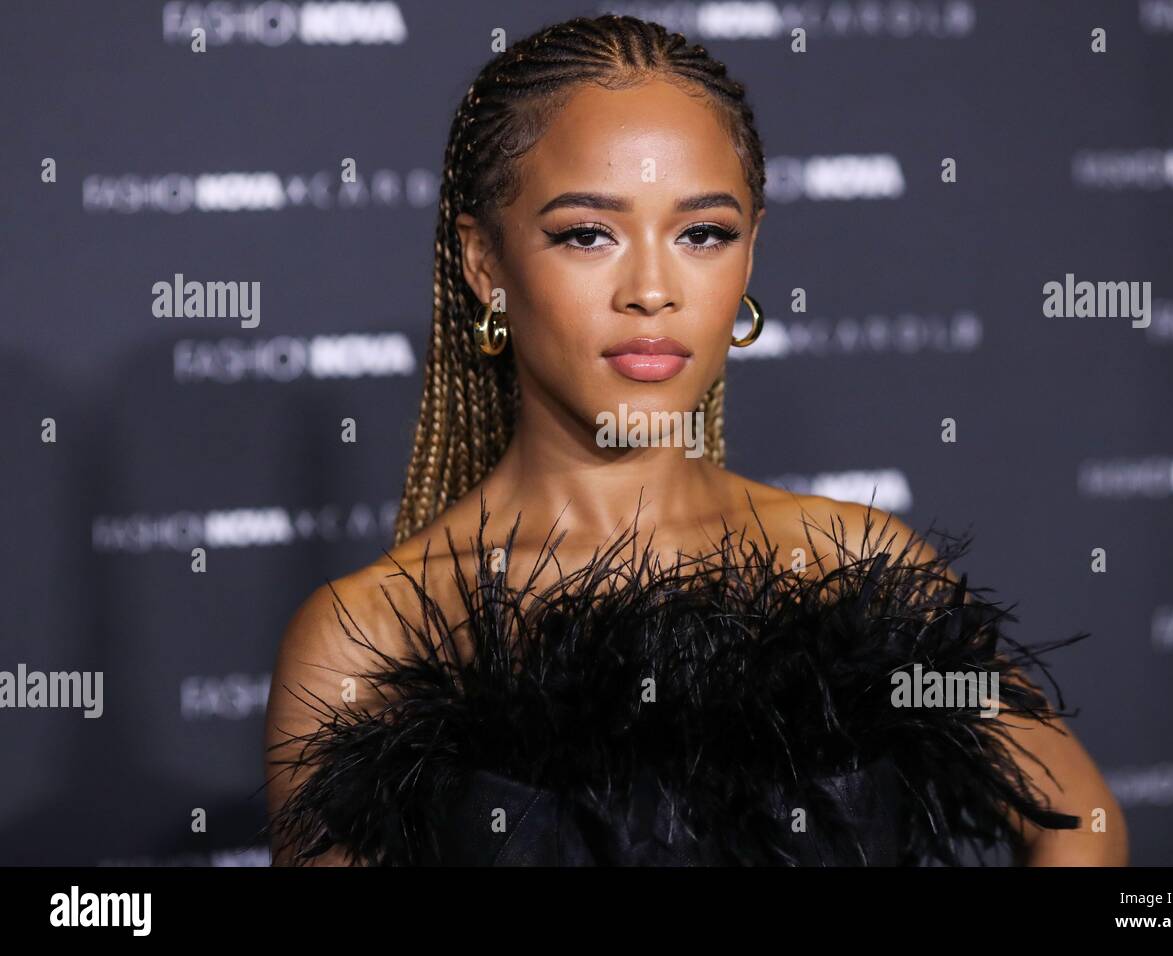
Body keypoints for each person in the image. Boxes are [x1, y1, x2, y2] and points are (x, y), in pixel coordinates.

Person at [261, 13, 1128, 866]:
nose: (652, 289)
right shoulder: (372, 636)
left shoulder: (856, 569)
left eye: (702, 233)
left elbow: (1079, 820)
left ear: (748, 260)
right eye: (587, 234)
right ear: (484, 263)